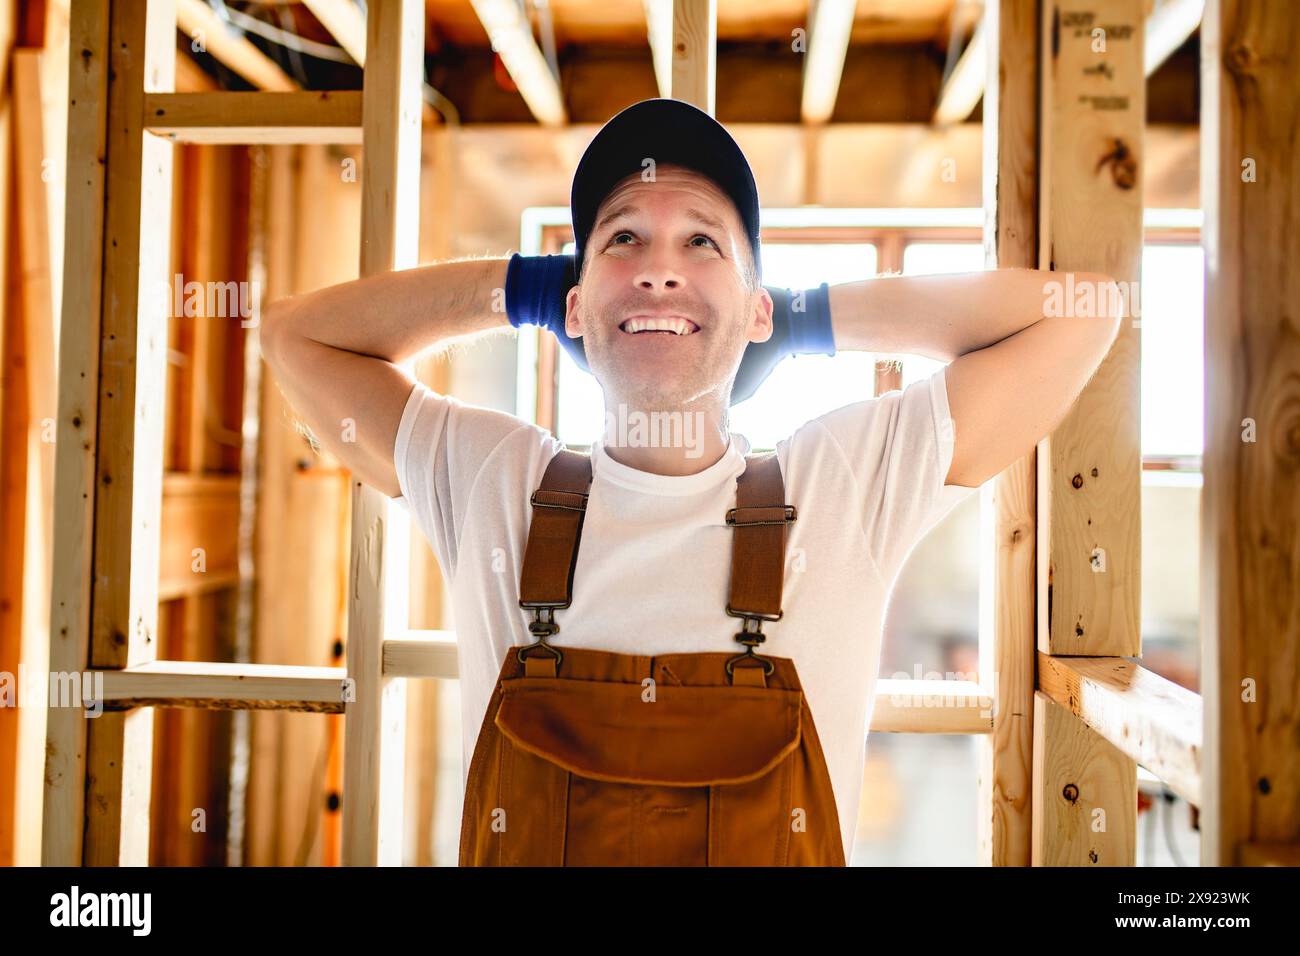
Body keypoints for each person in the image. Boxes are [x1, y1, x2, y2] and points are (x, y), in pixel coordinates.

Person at [260, 98, 1121, 865]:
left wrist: (799, 313)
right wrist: (523, 287)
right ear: (571, 299)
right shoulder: (490, 480)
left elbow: (1080, 314)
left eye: (702, 241)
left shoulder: (842, 486)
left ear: (758, 309)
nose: (659, 268)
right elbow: (296, 336)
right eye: (621, 238)